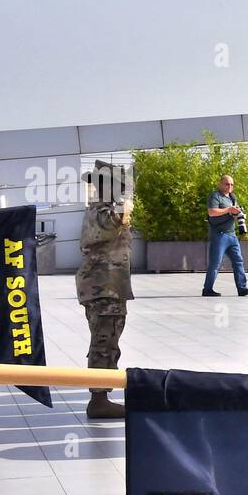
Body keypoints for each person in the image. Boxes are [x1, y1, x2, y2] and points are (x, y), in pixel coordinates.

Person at [78, 160, 133, 418]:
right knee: (104, 342)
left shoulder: (97, 207)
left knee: (106, 339)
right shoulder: (104, 210)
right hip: (105, 287)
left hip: (105, 285)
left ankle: (101, 396)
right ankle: (99, 400)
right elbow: (118, 220)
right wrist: (127, 201)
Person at [202, 174, 248, 297]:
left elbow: (232, 216)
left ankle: (242, 288)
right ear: (220, 184)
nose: (229, 186)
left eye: (231, 184)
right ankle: (207, 289)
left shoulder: (232, 197)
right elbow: (212, 212)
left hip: (232, 235)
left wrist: (238, 215)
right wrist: (229, 210)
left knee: (238, 261)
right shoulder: (215, 196)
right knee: (215, 263)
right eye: (227, 184)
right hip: (219, 235)